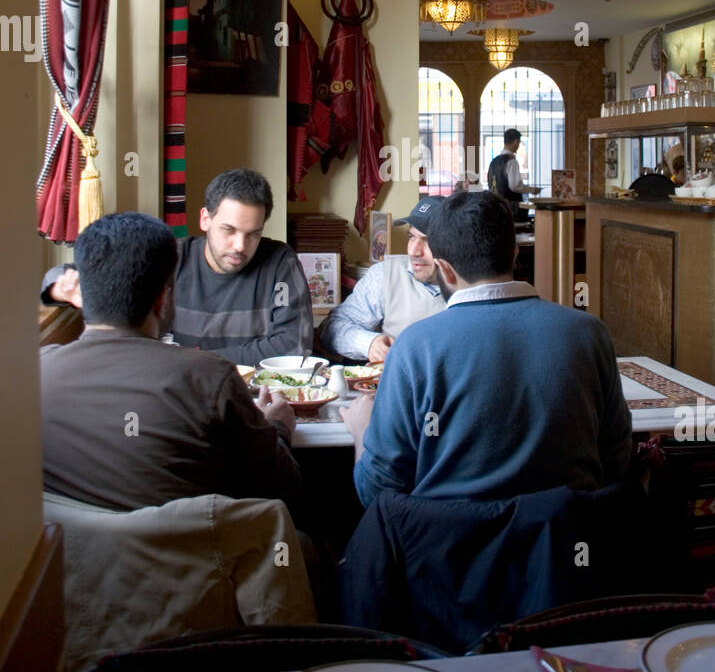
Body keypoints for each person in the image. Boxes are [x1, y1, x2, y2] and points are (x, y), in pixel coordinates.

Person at [340, 191, 633, 508]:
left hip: (448, 549)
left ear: (445, 270)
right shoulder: (590, 334)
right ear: (516, 254)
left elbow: (378, 494)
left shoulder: (414, 347)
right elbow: (617, 458)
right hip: (563, 545)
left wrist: (361, 433)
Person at [40, 212, 305, 521]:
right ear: (162, 301)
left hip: (73, 563)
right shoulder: (210, 377)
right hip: (194, 564)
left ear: (85, 294)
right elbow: (284, 489)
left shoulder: (31, 376)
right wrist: (277, 427)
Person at [42, 168, 313, 364]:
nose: (240, 246)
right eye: (228, 230)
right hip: (172, 387)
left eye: (253, 233)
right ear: (205, 219)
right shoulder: (170, 255)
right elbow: (73, 275)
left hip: (247, 393)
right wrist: (58, 286)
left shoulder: (279, 261)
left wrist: (193, 361)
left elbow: (293, 347)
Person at [319, 197, 446, 362]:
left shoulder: (474, 282)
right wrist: (369, 344)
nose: (414, 251)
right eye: (411, 237)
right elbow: (330, 328)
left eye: (427, 241)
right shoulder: (385, 274)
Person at [487, 128, 527, 214]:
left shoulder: (494, 162)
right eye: (519, 143)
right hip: (511, 208)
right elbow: (515, 186)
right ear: (516, 142)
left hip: (495, 207)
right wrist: (531, 190)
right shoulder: (511, 161)